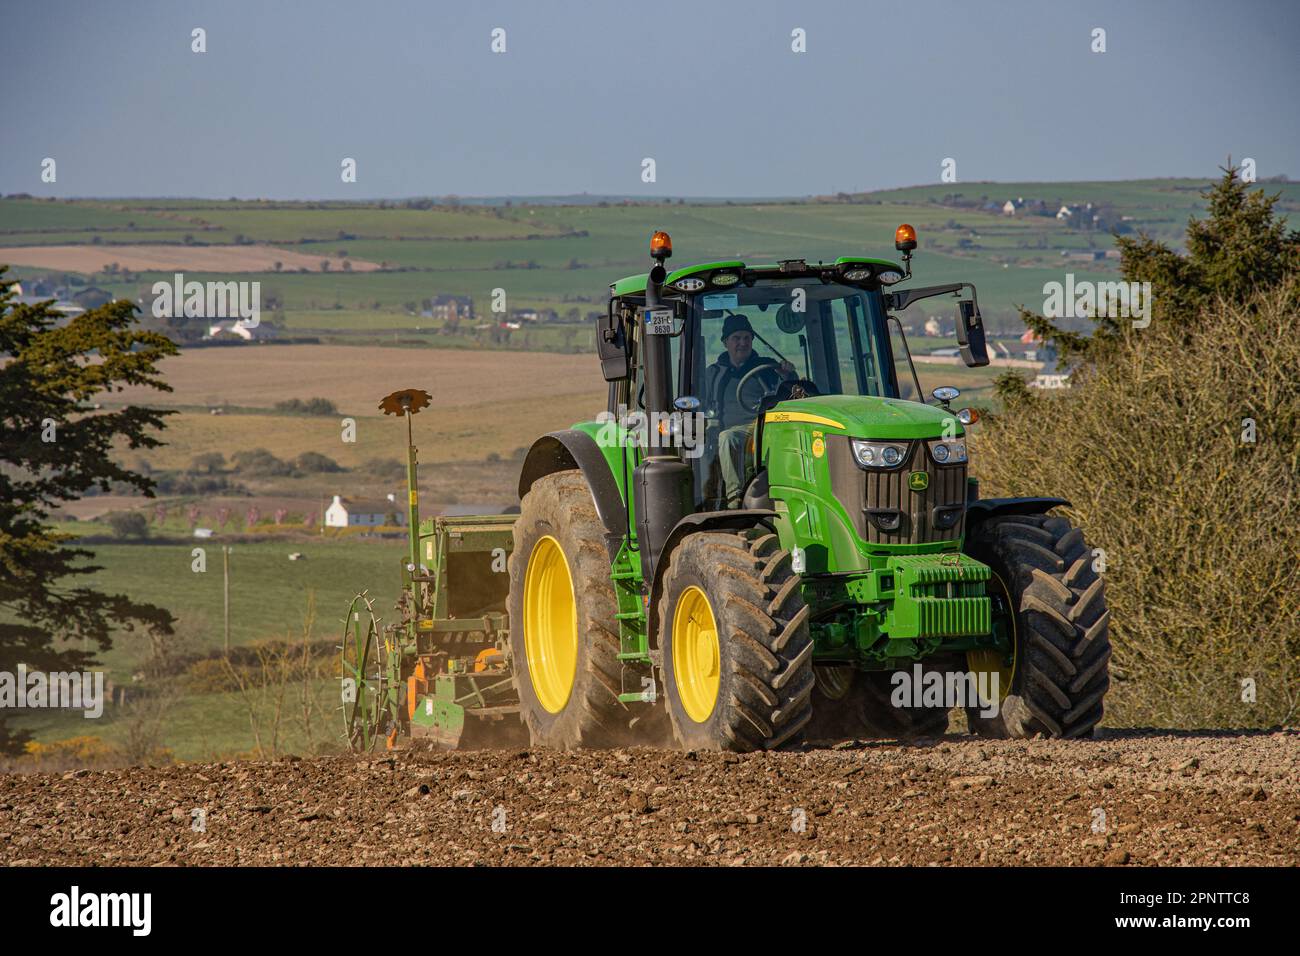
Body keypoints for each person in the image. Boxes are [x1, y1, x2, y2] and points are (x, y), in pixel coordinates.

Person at [703, 314, 795, 506]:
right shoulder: (715, 373)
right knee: (724, 438)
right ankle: (734, 499)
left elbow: (790, 393)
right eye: (736, 338)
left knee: (727, 438)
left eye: (747, 338)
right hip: (733, 433)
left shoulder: (768, 368)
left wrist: (788, 374)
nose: (742, 343)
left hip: (764, 427)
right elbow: (701, 402)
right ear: (725, 342)